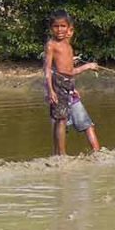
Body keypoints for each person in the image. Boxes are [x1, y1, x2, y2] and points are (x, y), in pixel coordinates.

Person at [44, 10, 101, 156]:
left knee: (82, 123)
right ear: (51, 28)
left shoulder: (68, 46)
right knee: (61, 119)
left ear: (69, 29)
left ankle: (97, 153)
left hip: (68, 86)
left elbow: (70, 71)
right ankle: (61, 155)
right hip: (58, 85)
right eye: (56, 26)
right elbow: (47, 69)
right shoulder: (51, 45)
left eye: (63, 26)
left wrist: (73, 86)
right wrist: (50, 90)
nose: (60, 30)